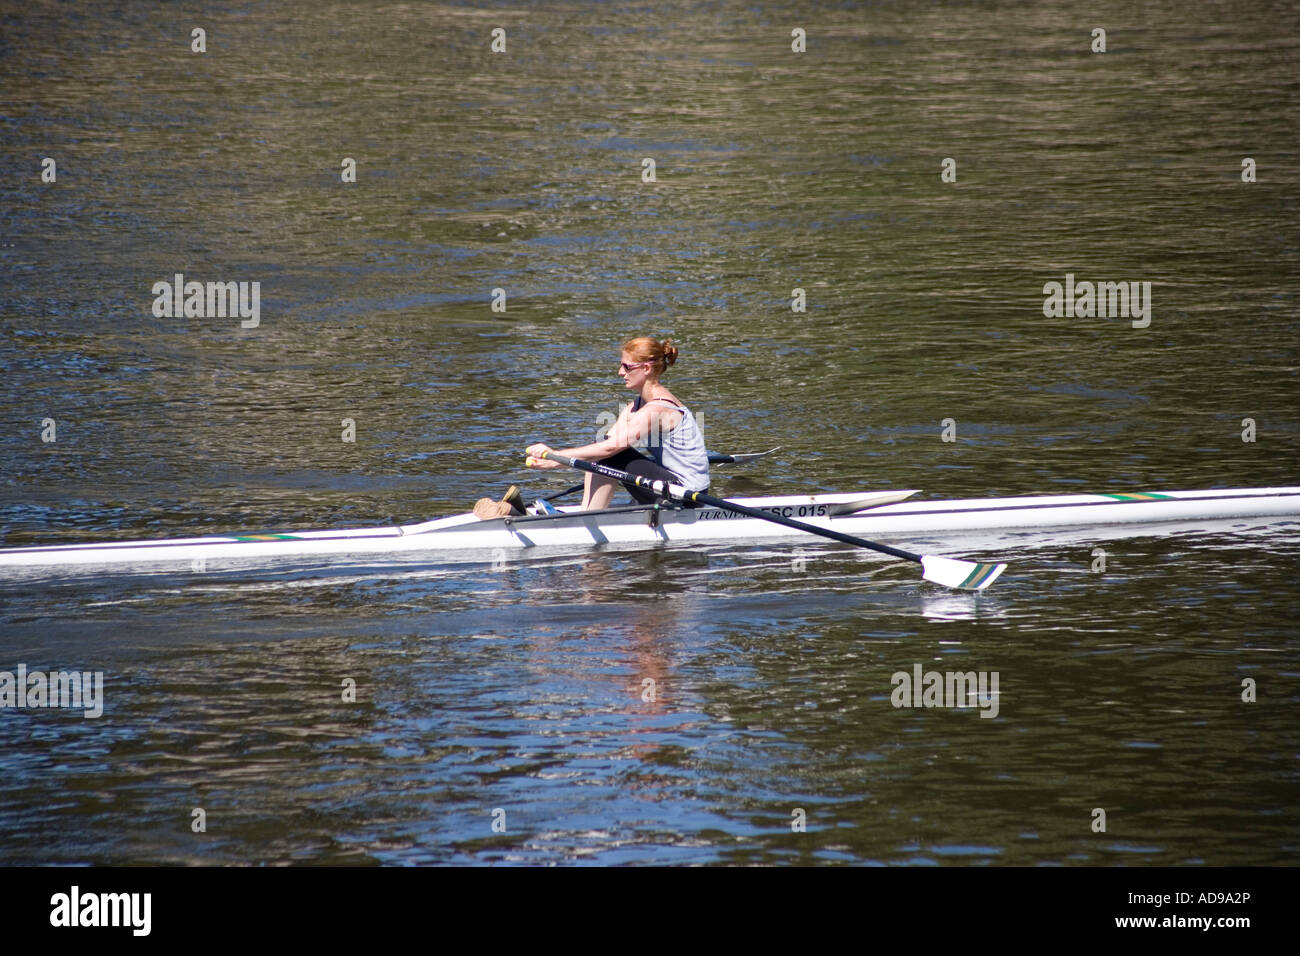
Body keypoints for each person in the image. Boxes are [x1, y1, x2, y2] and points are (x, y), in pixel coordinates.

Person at [522, 336, 709, 511]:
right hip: (668, 486)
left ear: (646, 368)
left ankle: (588, 518)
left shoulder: (657, 410)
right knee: (602, 449)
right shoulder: (635, 407)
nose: (620, 373)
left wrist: (555, 459)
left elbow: (608, 452)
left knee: (609, 456)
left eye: (627, 367)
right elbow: (603, 445)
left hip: (688, 497)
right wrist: (558, 459)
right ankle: (587, 511)